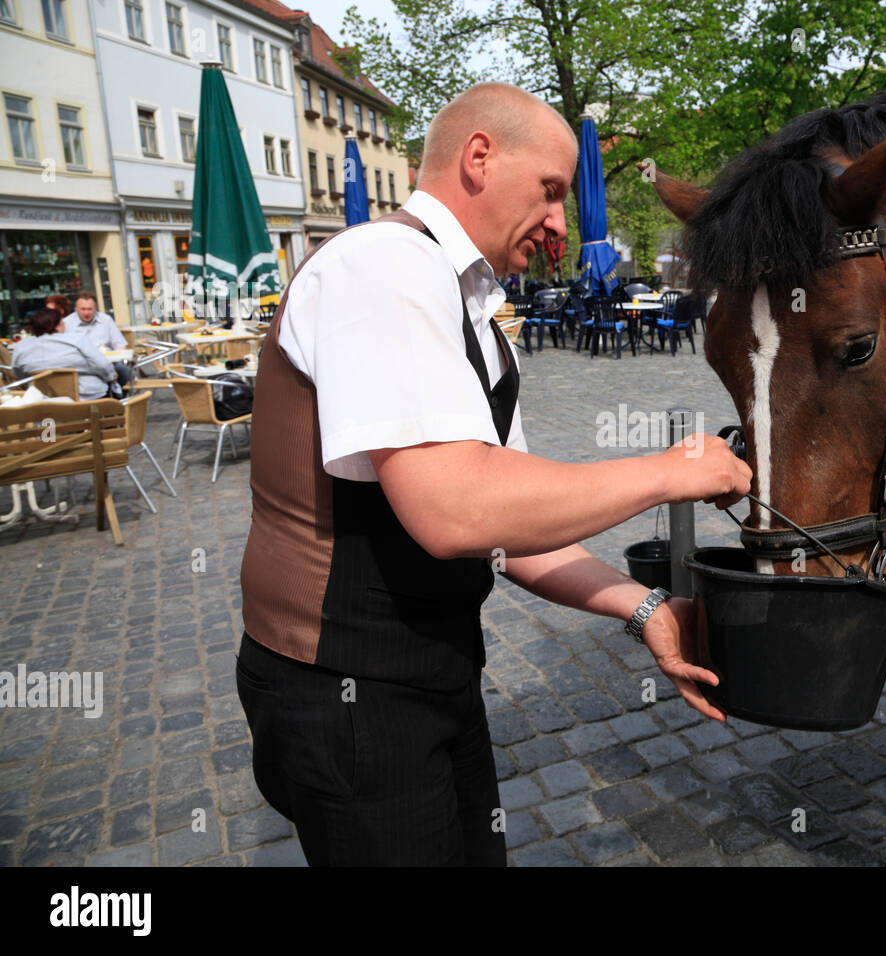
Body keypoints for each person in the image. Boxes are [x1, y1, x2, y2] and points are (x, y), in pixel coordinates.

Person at [236, 82, 751, 867]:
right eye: (550, 191)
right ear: (479, 157)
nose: (559, 222)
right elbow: (456, 511)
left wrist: (644, 606)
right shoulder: (383, 265)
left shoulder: (472, 310)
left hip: (432, 675)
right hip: (348, 690)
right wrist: (668, 471)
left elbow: (509, 532)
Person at [10, 307, 118, 400]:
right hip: (87, 397)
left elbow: (18, 373)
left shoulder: (21, 346)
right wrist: (110, 376)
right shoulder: (77, 339)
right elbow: (102, 364)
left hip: (43, 400)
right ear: (57, 326)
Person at [62, 289, 129, 392]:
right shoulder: (66, 323)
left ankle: (118, 402)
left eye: (90, 309)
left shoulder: (105, 320)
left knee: (123, 371)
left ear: (96, 308)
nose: (86, 313)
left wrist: (116, 358)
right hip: (79, 366)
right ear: (76, 309)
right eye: (83, 309)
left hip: (107, 363)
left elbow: (120, 345)